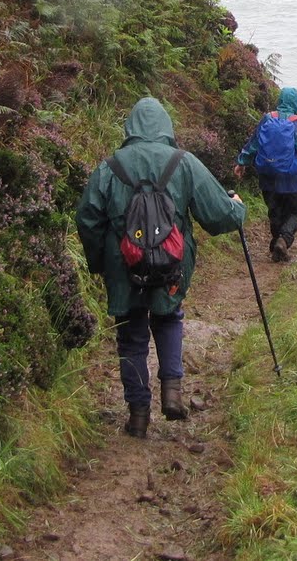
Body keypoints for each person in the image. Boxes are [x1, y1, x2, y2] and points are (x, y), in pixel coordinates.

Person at [76, 97, 246, 439]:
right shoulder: (184, 163)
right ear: (166, 125)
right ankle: (172, 394)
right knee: (168, 318)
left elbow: (87, 218)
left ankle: (138, 415)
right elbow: (218, 215)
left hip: (124, 265)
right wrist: (237, 208)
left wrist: (100, 264)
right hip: (172, 264)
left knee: (131, 335)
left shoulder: (110, 167)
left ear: (131, 127)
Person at [233, 87, 297, 262]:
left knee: (274, 211)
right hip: (290, 178)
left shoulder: (267, 119)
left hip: (266, 174)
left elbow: (253, 145)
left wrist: (241, 162)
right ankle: (283, 240)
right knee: (296, 211)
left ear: (280, 100)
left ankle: (276, 244)